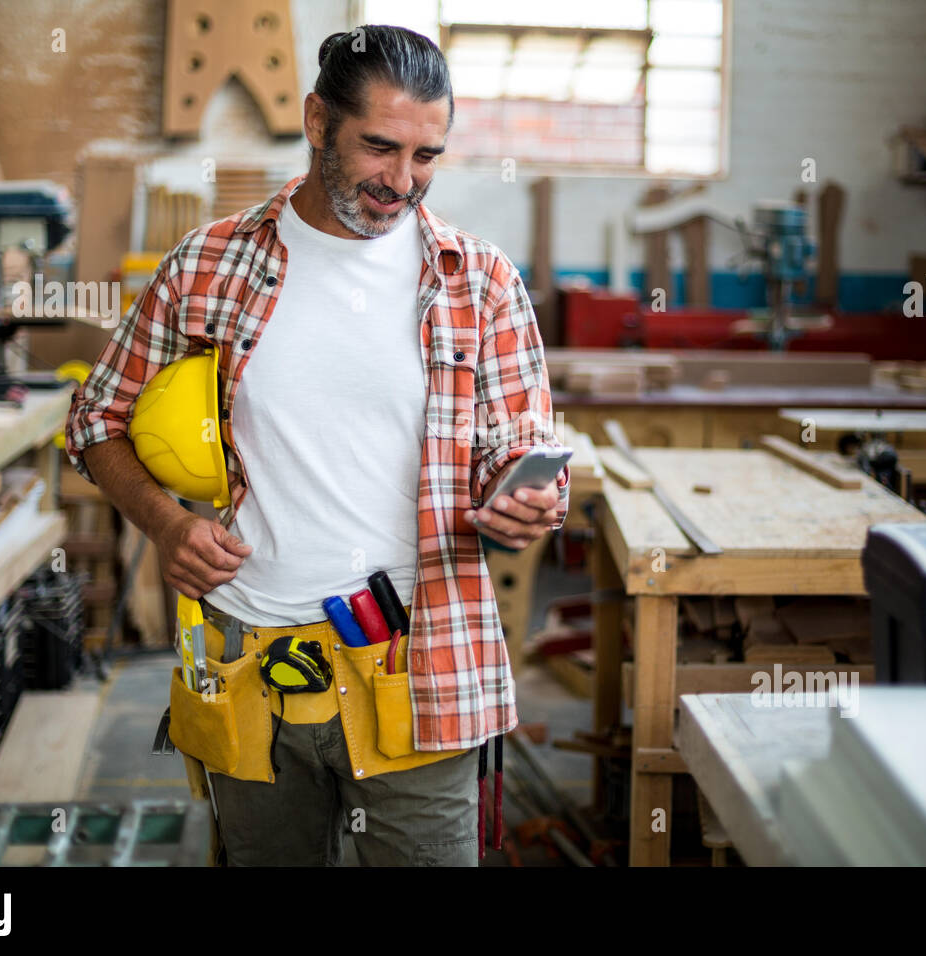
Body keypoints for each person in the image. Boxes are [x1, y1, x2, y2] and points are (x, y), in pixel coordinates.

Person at [65, 24, 570, 866]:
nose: (401, 182)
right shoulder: (209, 266)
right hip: (250, 657)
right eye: (379, 147)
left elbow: (515, 447)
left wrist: (526, 502)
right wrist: (163, 523)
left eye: (426, 156)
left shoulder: (478, 281)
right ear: (314, 120)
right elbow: (96, 418)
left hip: (423, 667)